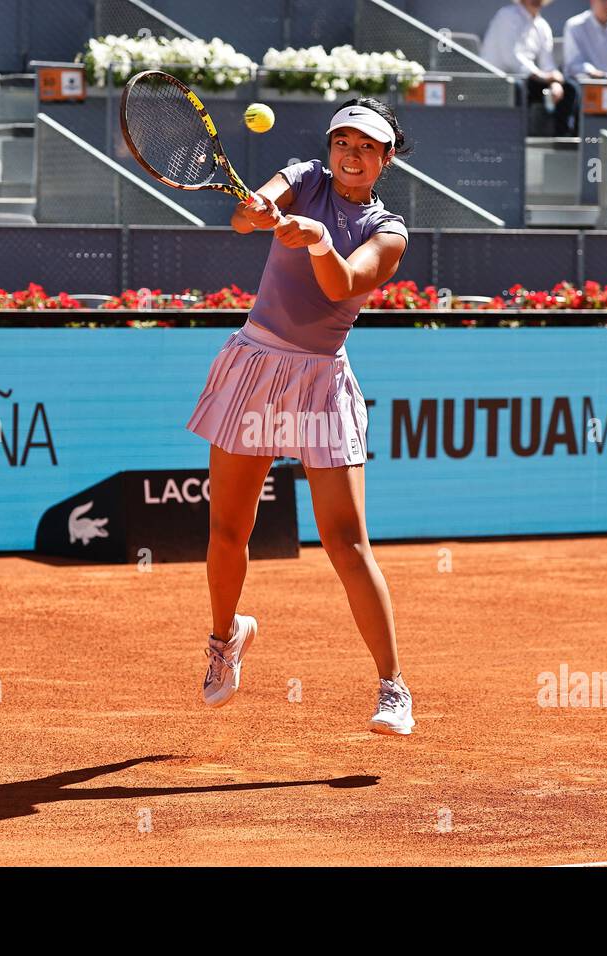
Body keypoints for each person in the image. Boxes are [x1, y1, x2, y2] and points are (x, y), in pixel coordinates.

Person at [184, 98, 415, 735]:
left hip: (320, 380)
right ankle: (225, 638)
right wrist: (257, 210)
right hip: (256, 365)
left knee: (345, 541)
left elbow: (343, 286)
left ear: (386, 159)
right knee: (230, 529)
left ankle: (392, 686)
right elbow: (242, 217)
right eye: (344, 141)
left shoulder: (388, 230)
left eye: (368, 146)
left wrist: (315, 239)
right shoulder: (304, 177)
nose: (353, 154)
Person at [480, 0, 577, 136]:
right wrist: (543, 76)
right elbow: (511, 58)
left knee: (568, 89)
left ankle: (559, 141)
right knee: (518, 88)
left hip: (525, 80)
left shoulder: (542, 26)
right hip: (495, 82)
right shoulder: (506, 16)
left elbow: (547, 63)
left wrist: (555, 82)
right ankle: (514, 142)